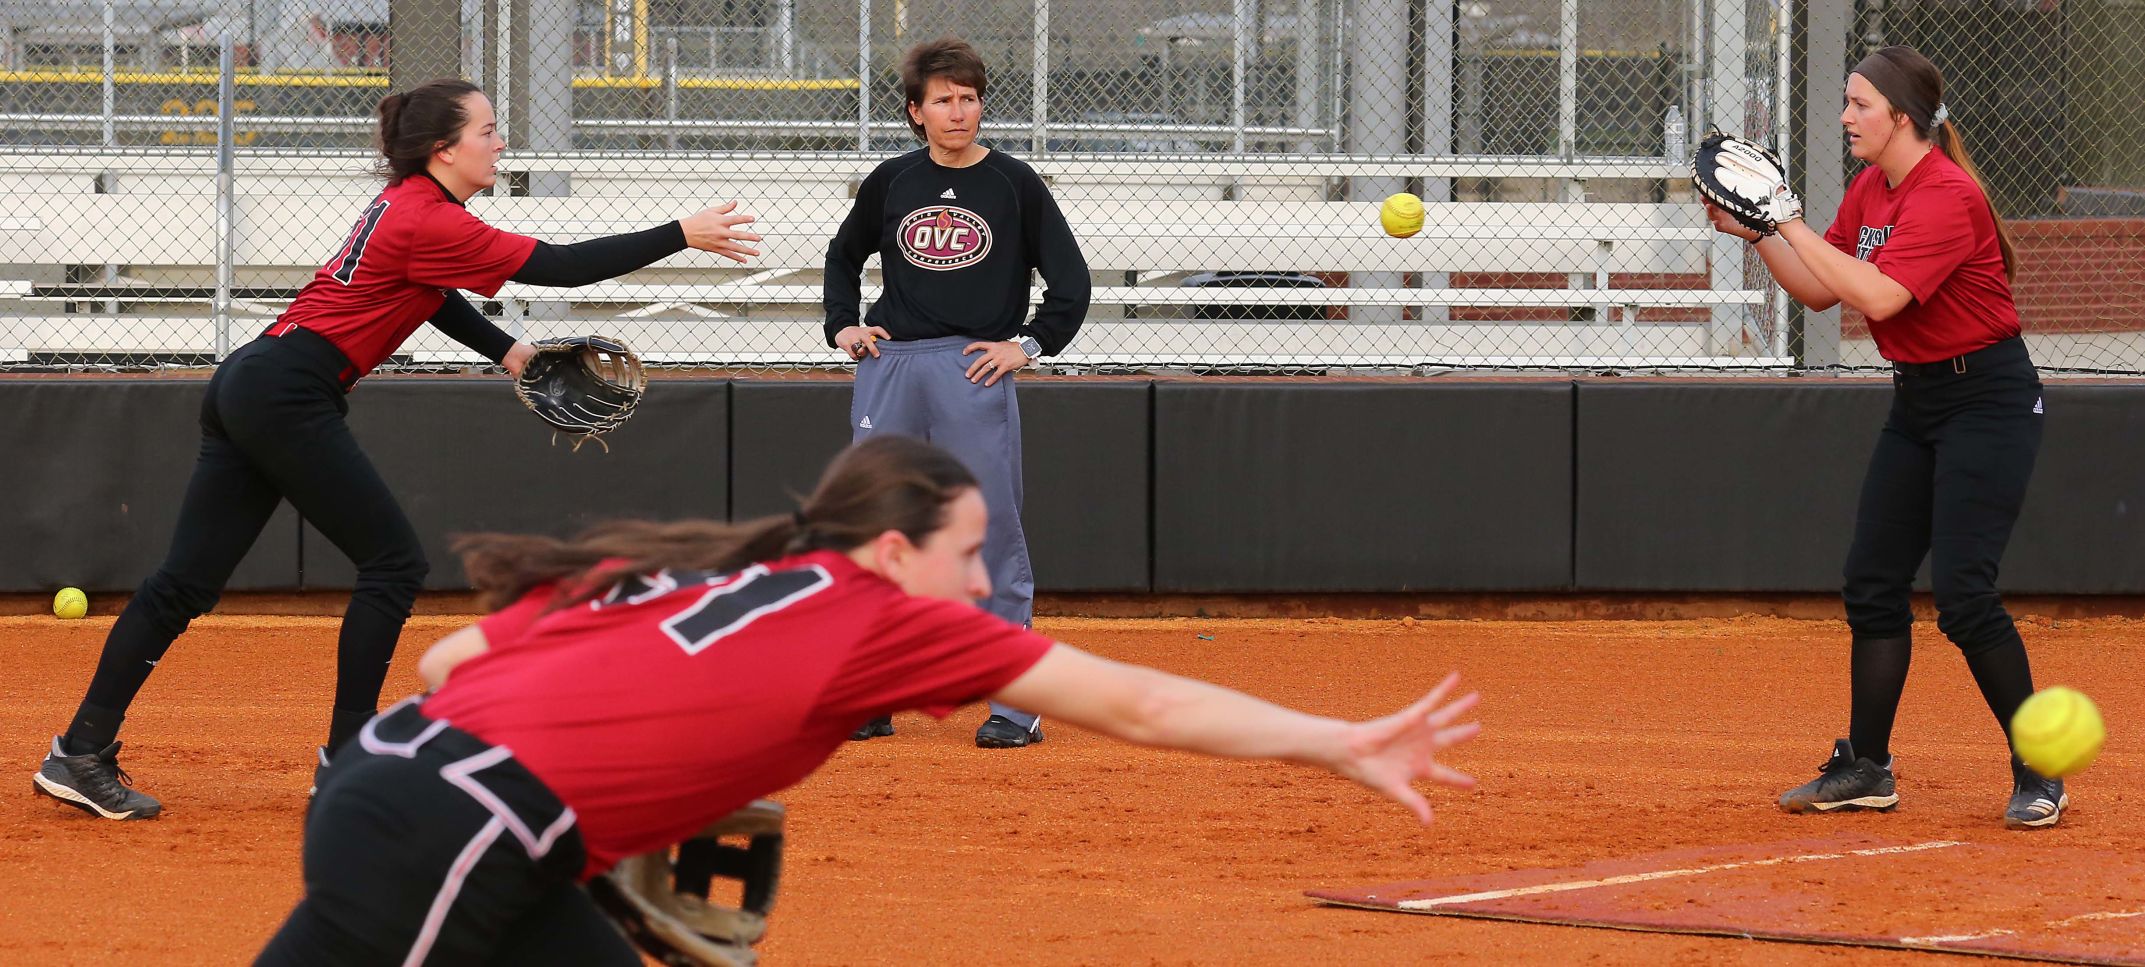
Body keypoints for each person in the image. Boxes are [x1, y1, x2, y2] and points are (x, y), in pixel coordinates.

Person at [254, 435, 1480, 964]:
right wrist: (1337, 740)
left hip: (419, 794)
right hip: (460, 828)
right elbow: (1142, 706)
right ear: (895, 551)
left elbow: (447, 666)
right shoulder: (881, 618)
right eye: (967, 552)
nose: (981, 581)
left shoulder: (712, 573)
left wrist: (611, 792)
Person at [31, 78, 763, 821]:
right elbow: (561, 266)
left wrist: (508, 351)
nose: (499, 142)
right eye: (486, 130)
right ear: (443, 149)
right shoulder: (428, 218)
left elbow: (432, 294)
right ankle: (347, 765)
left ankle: (80, 751)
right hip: (287, 391)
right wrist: (681, 232)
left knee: (184, 584)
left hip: (256, 379)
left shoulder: (413, 205)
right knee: (394, 565)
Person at [1704, 46, 2062, 828]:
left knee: (1963, 595)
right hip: (1919, 401)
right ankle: (1866, 765)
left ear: (1901, 116)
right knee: (1871, 580)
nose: (1845, 116)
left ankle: (2040, 767)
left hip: (1987, 402)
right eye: (1846, 101)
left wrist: (1785, 218)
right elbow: (1820, 289)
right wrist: (1757, 233)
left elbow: (1879, 296)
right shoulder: (1871, 187)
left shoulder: (1946, 193)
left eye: (1859, 103)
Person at [824, 37, 1091, 748]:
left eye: (968, 98)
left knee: (988, 528)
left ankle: (1015, 701)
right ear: (916, 111)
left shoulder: (1013, 183)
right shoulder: (891, 181)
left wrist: (1029, 344)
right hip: (891, 366)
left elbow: (1071, 282)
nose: (958, 111)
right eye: (942, 100)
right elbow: (843, 256)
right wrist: (842, 324)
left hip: (972, 369)